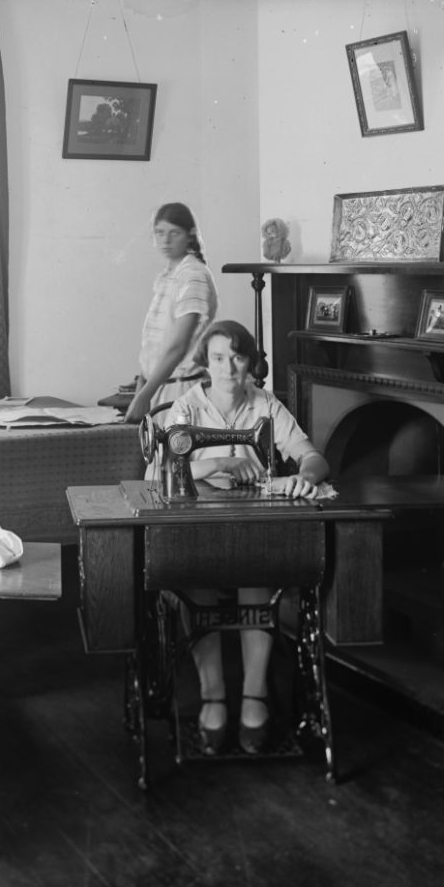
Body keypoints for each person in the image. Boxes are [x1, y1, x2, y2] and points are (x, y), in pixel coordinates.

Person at [166, 320, 330, 756]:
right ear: (206, 363)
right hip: (196, 528)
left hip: (253, 528)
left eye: (237, 358)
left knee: (258, 576)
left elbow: (313, 457)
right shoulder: (186, 408)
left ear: (250, 363)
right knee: (194, 584)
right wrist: (218, 463)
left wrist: (304, 477)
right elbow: (157, 473)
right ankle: (213, 695)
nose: (228, 368)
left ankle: (255, 693)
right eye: (218, 358)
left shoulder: (266, 405)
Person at [123, 202, 219, 435]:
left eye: (174, 233)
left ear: (190, 235)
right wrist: (142, 388)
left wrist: (144, 396)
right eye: (160, 232)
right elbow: (156, 344)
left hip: (181, 391)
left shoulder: (193, 275)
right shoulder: (169, 276)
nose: (165, 240)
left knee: (179, 453)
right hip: (160, 388)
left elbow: (178, 346)